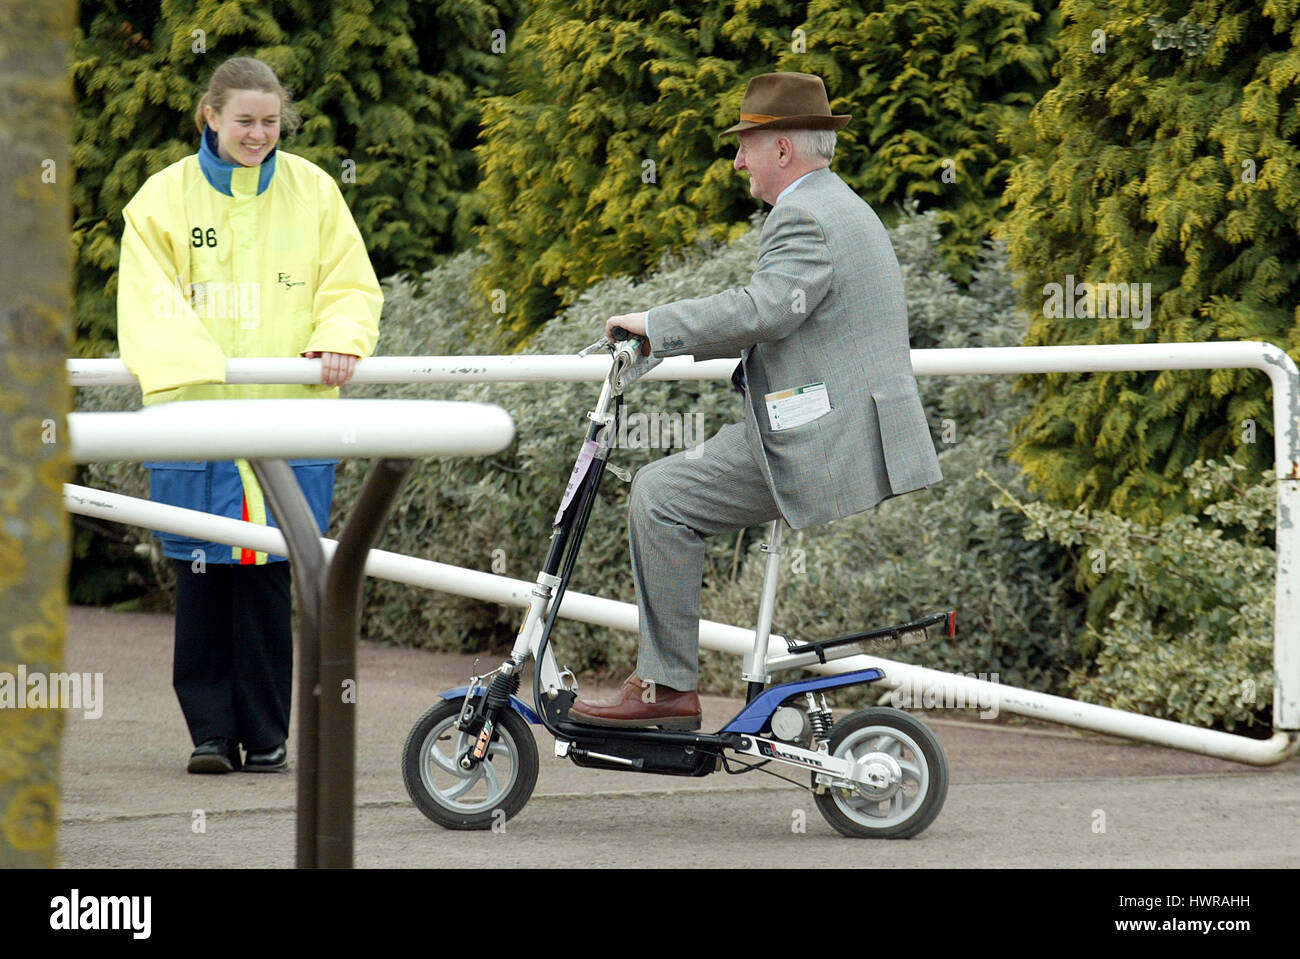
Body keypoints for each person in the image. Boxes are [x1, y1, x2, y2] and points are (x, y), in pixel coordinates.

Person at [569, 72, 942, 728]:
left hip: (821, 435)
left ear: (782, 151)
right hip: (835, 420)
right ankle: (673, 687)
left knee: (660, 497)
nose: (737, 160)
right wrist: (663, 342)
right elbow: (788, 317)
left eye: (746, 144)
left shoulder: (803, 214)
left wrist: (653, 324)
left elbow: (765, 308)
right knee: (676, 484)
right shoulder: (839, 205)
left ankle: (666, 689)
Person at [116, 57, 382, 772]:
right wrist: (206, 375)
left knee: (269, 577)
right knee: (202, 575)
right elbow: (147, 303)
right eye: (244, 122)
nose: (258, 134)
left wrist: (341, 337)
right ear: (211, 116)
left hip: (287, 421)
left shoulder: (316, 192)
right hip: (198, 422)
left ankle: (266, 736)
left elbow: (351, 284)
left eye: (270, 122)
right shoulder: (160, 200)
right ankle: (209, 734)